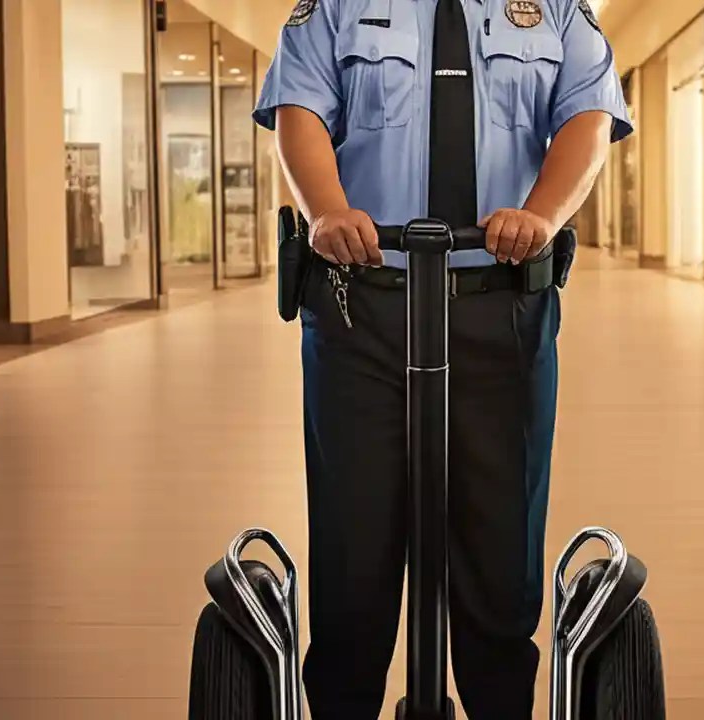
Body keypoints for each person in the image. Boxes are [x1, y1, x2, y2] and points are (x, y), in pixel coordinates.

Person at [254, 0, 631, 717]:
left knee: (500, 550)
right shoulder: (338, 3)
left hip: (502, 305)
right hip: (359, 301)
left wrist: (542, 215)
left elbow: (588, 117)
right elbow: (299, 111)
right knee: (352, 546)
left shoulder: (552, 7)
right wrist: (326, 209)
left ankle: (499, 705)